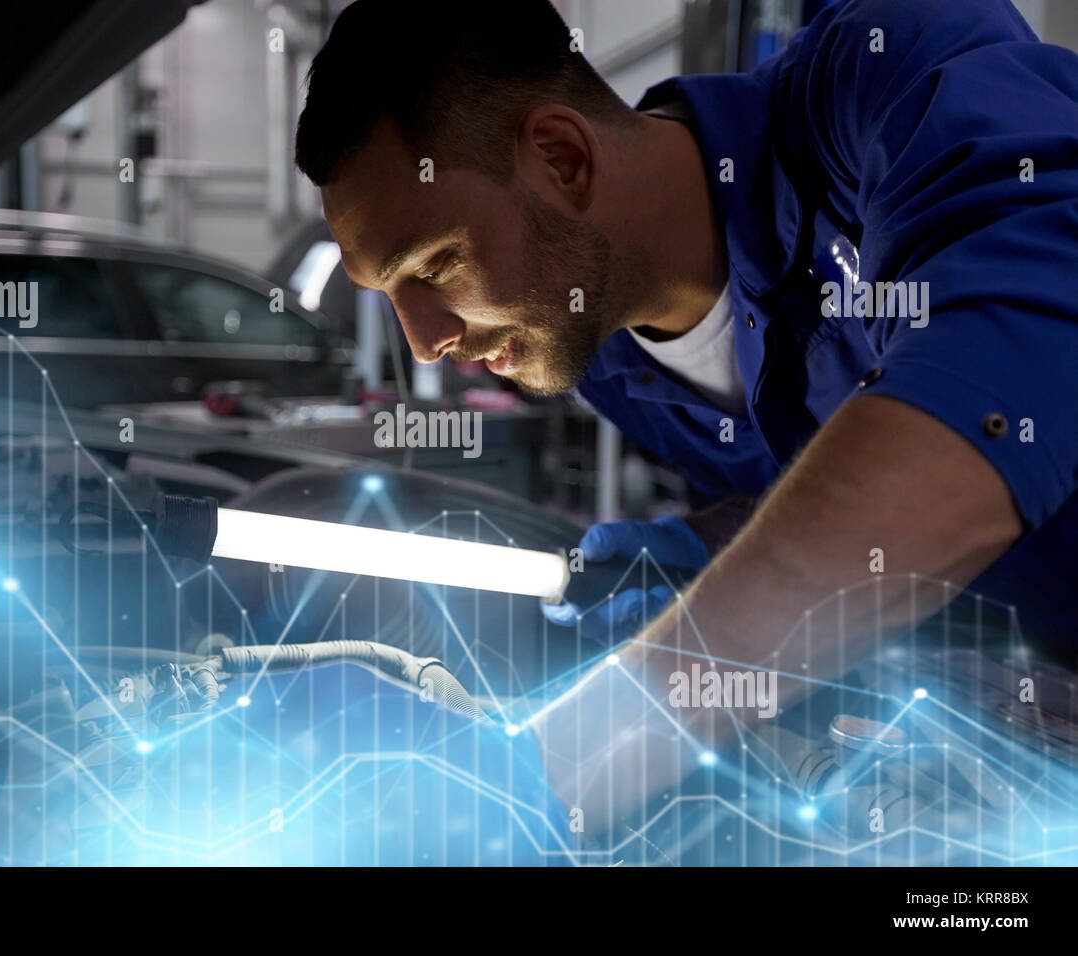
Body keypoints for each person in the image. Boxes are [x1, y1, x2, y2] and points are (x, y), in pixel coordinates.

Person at [293, 0, 1078, 831]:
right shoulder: (609, 362)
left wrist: (572, 755)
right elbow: (855, 508)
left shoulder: (884, 74)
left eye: (435, 264)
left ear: (562, 157)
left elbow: (1021, 354)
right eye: (390, 298)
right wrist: (710, 546)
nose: (423, 343)